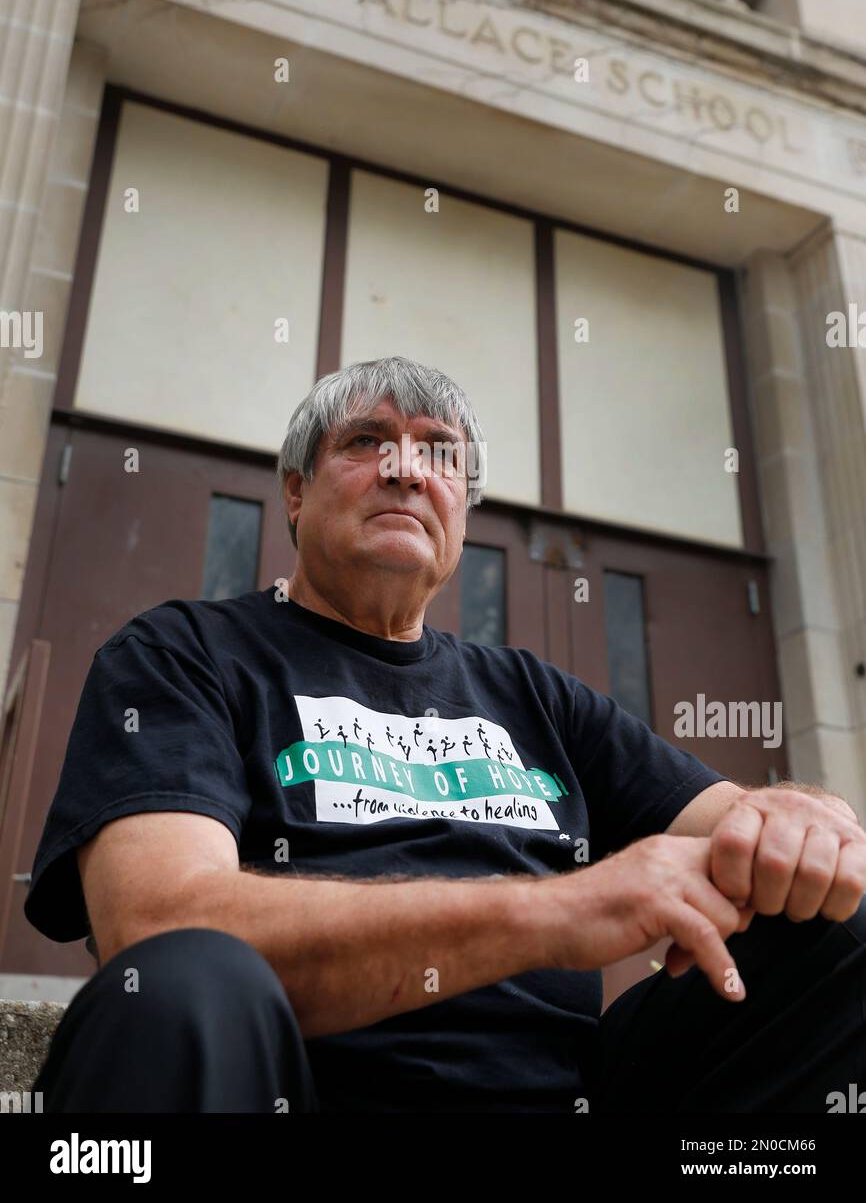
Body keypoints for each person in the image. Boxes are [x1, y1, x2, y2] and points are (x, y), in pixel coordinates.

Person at [25, 356, 866, 1113]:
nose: (405, 469)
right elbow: (158, 924)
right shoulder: (184, 653)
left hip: (571, 1095)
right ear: (294, 491)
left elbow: (741, 819)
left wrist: (807, 815)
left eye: (440, 453)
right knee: (185, 973)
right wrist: (561, 909)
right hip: (292, 1086)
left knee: (843, 923)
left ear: (463, 508)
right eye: (365, 441)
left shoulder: (536, 695)